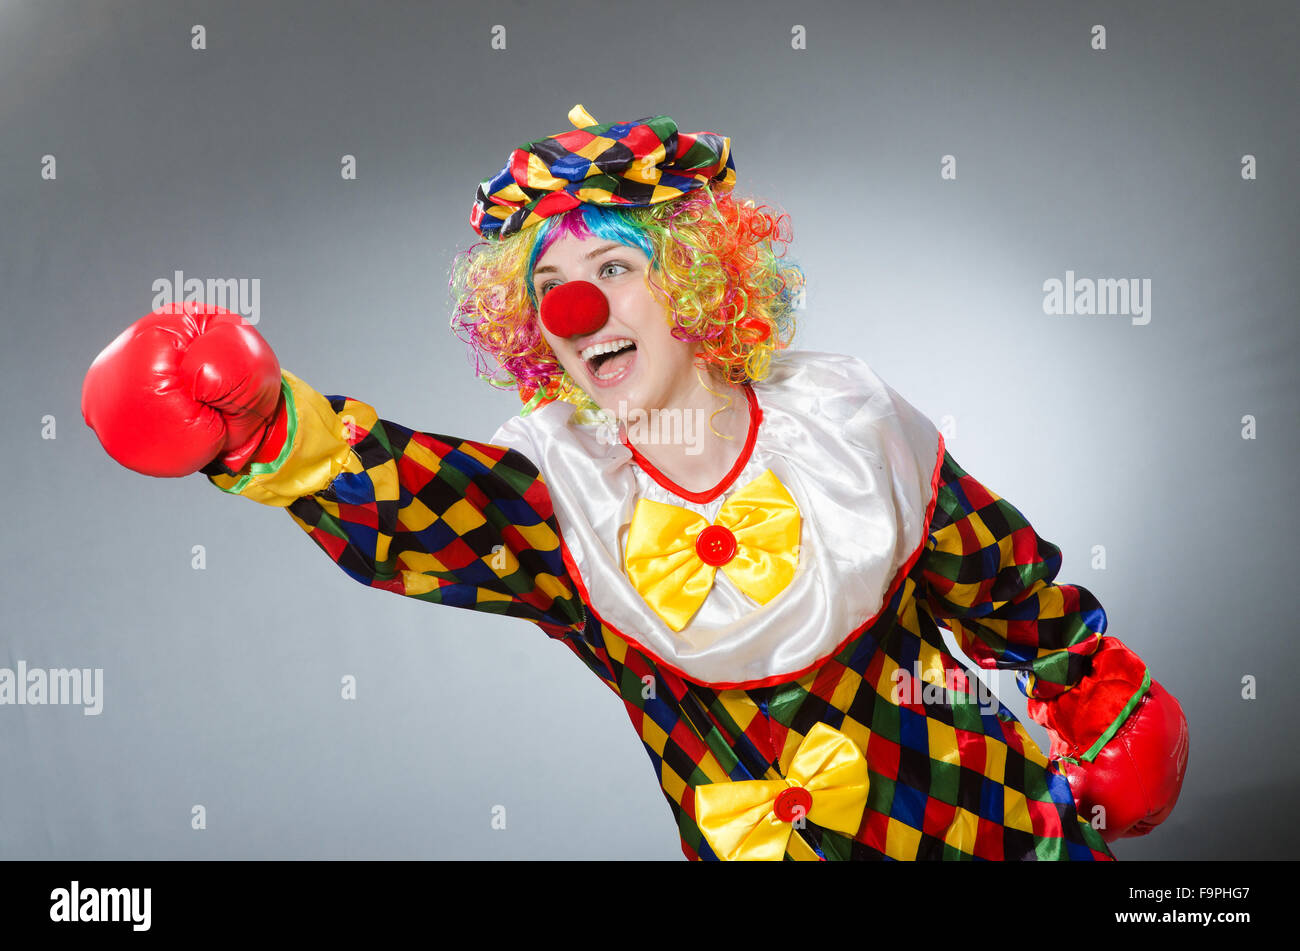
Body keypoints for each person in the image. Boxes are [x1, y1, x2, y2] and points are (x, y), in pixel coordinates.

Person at [81, 104, 1188, 861]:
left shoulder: (845, 421)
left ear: (698, 284)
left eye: (613, 269)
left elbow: (999, 584)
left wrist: (1091, 694)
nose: (575, 310)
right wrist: (268, 430)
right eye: (549, 286)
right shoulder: (553, 493)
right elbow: (406, 500)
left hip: (980, 826)